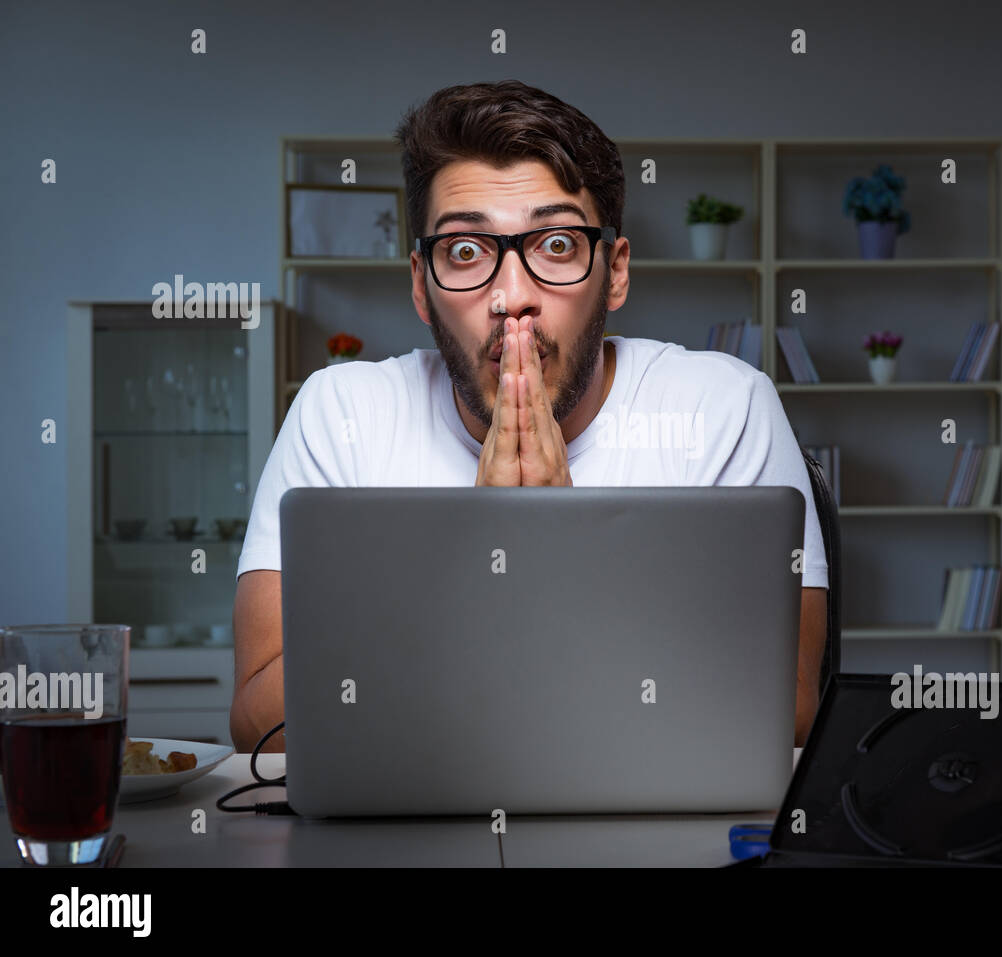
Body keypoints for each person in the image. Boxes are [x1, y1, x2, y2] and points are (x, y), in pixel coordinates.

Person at [231, 80, 828, 753]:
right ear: (421, 286)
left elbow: (786, 709)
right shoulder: (338, 414)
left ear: (616, 271)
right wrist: (475, 559)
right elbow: (259, 726)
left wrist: (558, 553)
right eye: (465, 252)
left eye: (555, 246)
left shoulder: (724, 410)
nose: (512, 298)